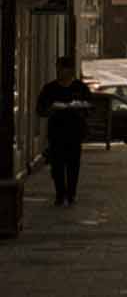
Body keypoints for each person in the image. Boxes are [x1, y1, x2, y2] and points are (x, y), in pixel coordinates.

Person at [35, 57, 93, 207]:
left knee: (73, 165)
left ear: (70, 70)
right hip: (56, 133)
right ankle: (60, 194)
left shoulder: (80, 88)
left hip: (75, 132)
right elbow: (40, 109)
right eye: (58, 68)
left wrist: (81, 107)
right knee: (57, 165)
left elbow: (90, 107)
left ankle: (71, 194)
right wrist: (51, 109)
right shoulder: (50, 88)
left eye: (61, 68)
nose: (59, 71)